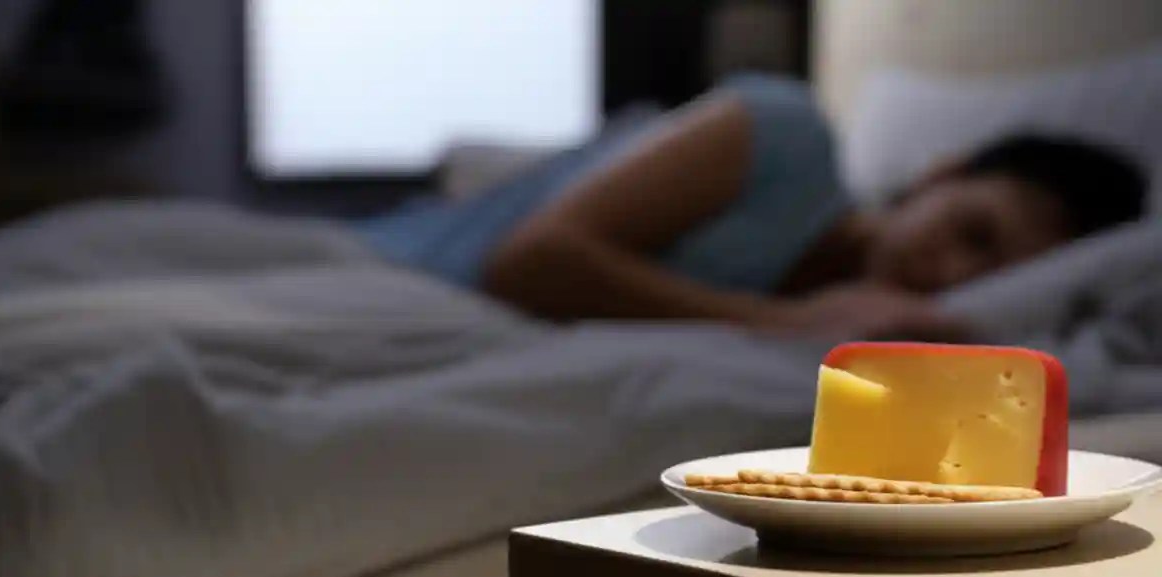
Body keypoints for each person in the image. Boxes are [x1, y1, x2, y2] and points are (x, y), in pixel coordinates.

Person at [362, 75, 1149, 340]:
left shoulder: (862, 317)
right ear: (939, 175)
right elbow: (529, 261)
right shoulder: (785, 134)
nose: (947, 270)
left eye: (986, 273)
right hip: (396, 266)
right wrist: (778, 324)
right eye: (971, 230)